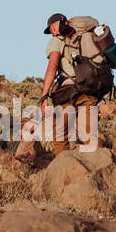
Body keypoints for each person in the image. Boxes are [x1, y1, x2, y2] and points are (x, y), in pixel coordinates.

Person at [41, 13, 97, 155]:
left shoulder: (56, 41)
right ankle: (90, 172)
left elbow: (52, 67)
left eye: (51, 29)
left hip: (68, 93)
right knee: (88, 138)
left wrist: (44, 96)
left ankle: (65, 170)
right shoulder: (82, 37)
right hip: (89, 90)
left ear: (54, 26)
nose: (51, 33)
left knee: (60, 136)